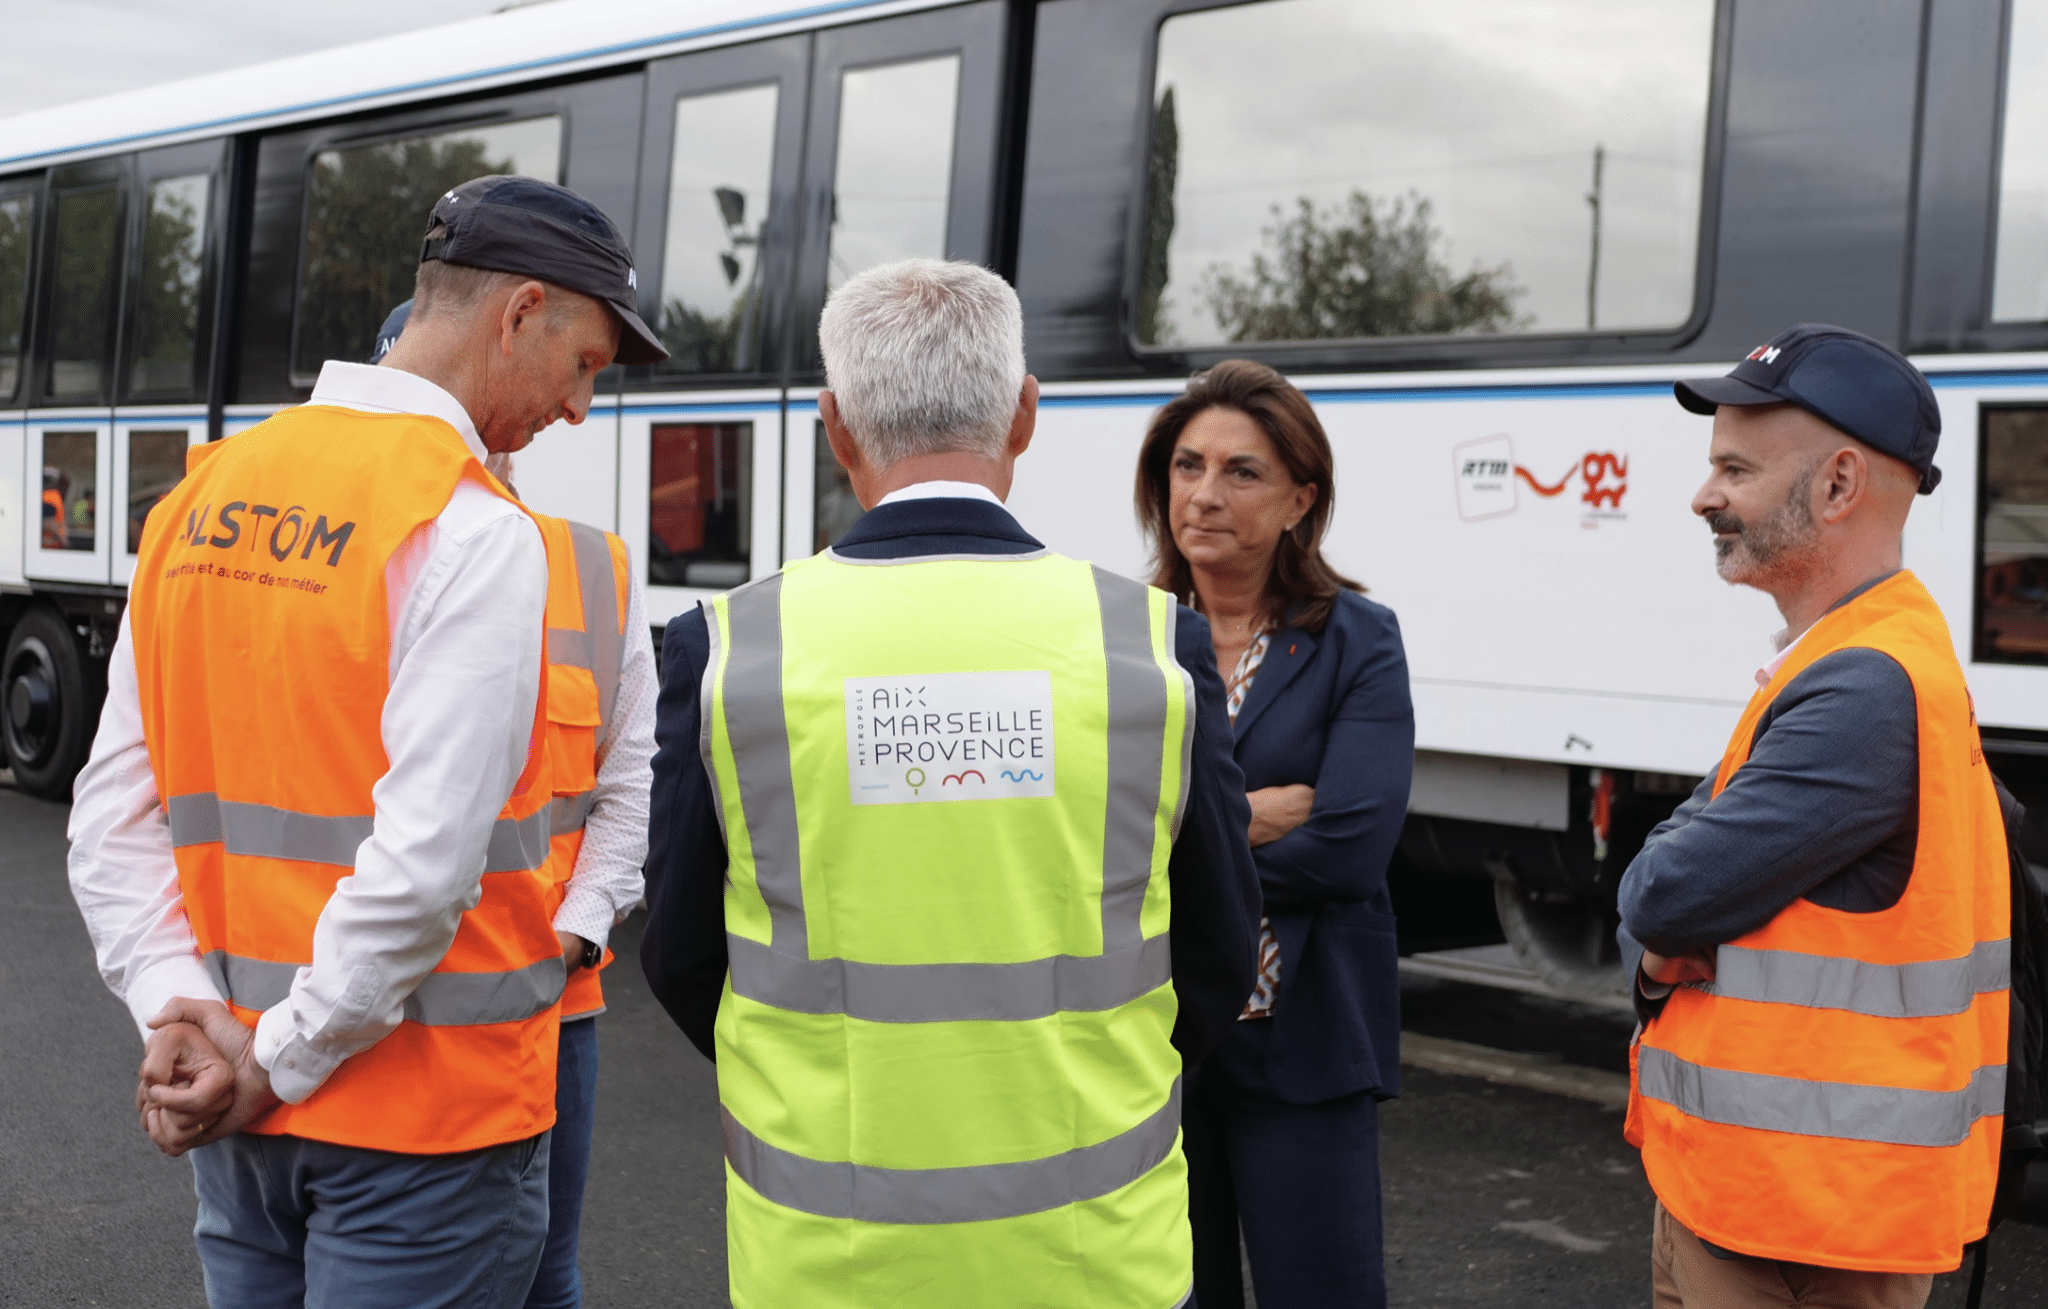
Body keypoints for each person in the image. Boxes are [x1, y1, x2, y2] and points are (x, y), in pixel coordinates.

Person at [66, 174, 667, 1307]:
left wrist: (179, 1008)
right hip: (426, 1132)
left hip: (242, 1127)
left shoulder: (198, 498)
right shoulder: (472, 529)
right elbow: (422, 869)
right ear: (519, 314)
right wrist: (274, 1061)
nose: (581, 406)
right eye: (584, 363)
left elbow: (112, 818)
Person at [638, 258, 1263, 1309]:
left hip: (826, 1260)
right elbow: (1218, 944)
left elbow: (683, 952)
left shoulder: (731, 648)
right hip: (1098, 1253)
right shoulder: (1151, 643)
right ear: (1024, 415)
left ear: (836, 426)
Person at [1618, 324, 2009, 1309]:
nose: (1703, 496)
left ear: (1838, 486)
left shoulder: (1864, 688)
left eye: (1735, 469)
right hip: (1767, 1198)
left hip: (1805, 1226)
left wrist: (1660, 938)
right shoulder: (1854, 656)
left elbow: (1661, 891)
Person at [372, 297, 659, 1309]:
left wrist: (574, 934)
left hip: (548, 1004)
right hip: (378, 1002)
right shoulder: (369, 554)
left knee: (543, 1277)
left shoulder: (594, 567)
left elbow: (627, 785)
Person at [1134, 360, 1413, 1309]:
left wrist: (1178, 838)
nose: (1205, 494)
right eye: (1188, 465)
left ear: (1301, 499)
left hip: (1305, 1040)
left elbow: (1351, 848)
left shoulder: (1359, 638)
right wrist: (1251, 814)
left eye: (1241, 471)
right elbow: (1085, 838)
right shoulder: (1122, 638)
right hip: (1158, 1041)